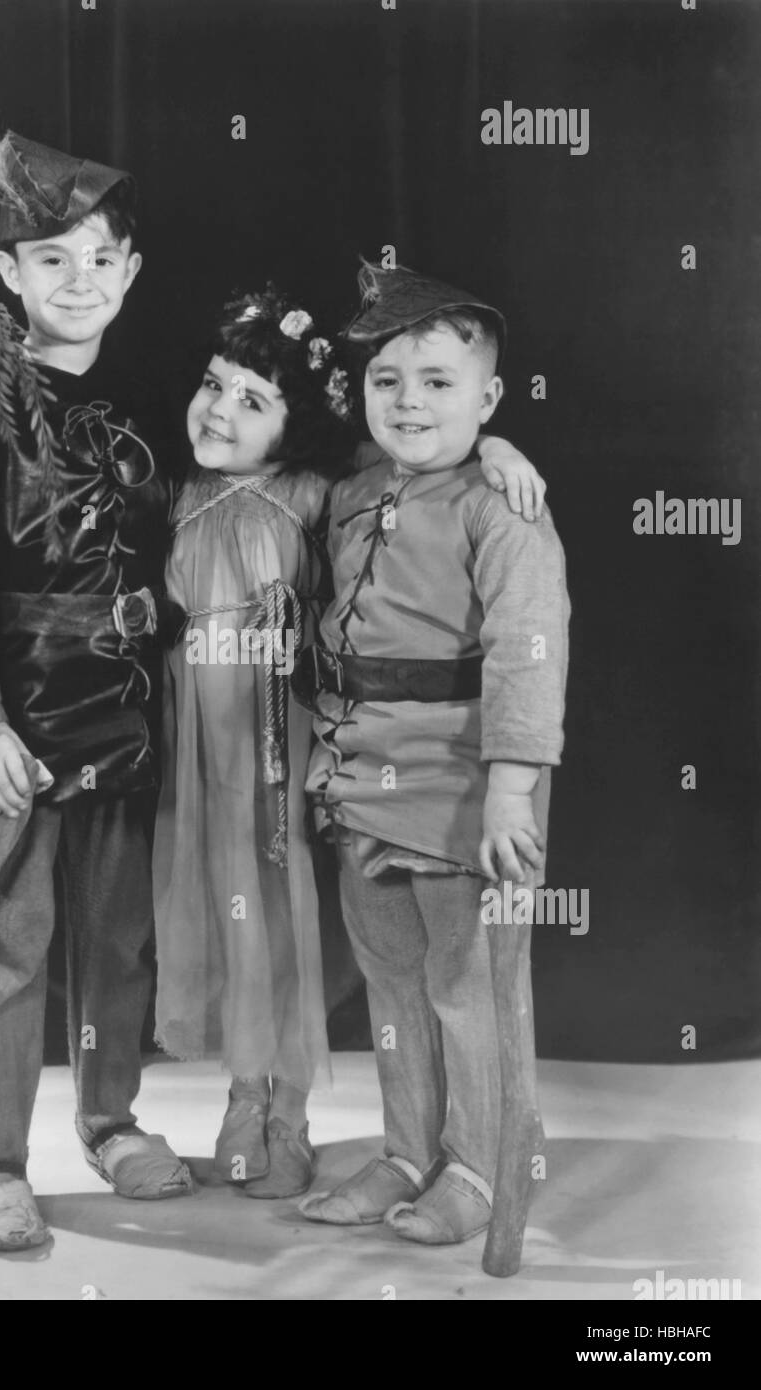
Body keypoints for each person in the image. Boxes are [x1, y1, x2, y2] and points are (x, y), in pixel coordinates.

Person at [153, 283, 550, 1201]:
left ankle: (423, 1154)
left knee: (389, 949)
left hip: (355, 757)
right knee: (305, 945)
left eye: (253, 400)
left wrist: (496, 443)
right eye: (216, 387)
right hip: (271, 761)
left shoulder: (367, 498)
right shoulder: (220, 494)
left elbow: (422, 460)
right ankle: (324, 1124)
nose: (222, 412)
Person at [0, 120, 192, 1250]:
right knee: (14, 942)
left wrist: (497, 455)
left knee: (116, 938)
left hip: (127, 710)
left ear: (128, 273)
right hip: (20, 720)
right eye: (51, 261)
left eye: (97, 261)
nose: (77, 282)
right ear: (8, 274)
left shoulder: (158, 406)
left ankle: (110, 1115)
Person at [296, 262, 570, 1244]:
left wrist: (510, 796)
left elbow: (527, 656)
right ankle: (407, 1150)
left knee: (466, 986)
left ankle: (478, 1169)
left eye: (439, 382)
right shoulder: (351, 495)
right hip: (358, 784)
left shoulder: (502, 509)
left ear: (489, 395)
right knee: (391, 979)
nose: (408, 400)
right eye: (386, 380)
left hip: (460, 792)